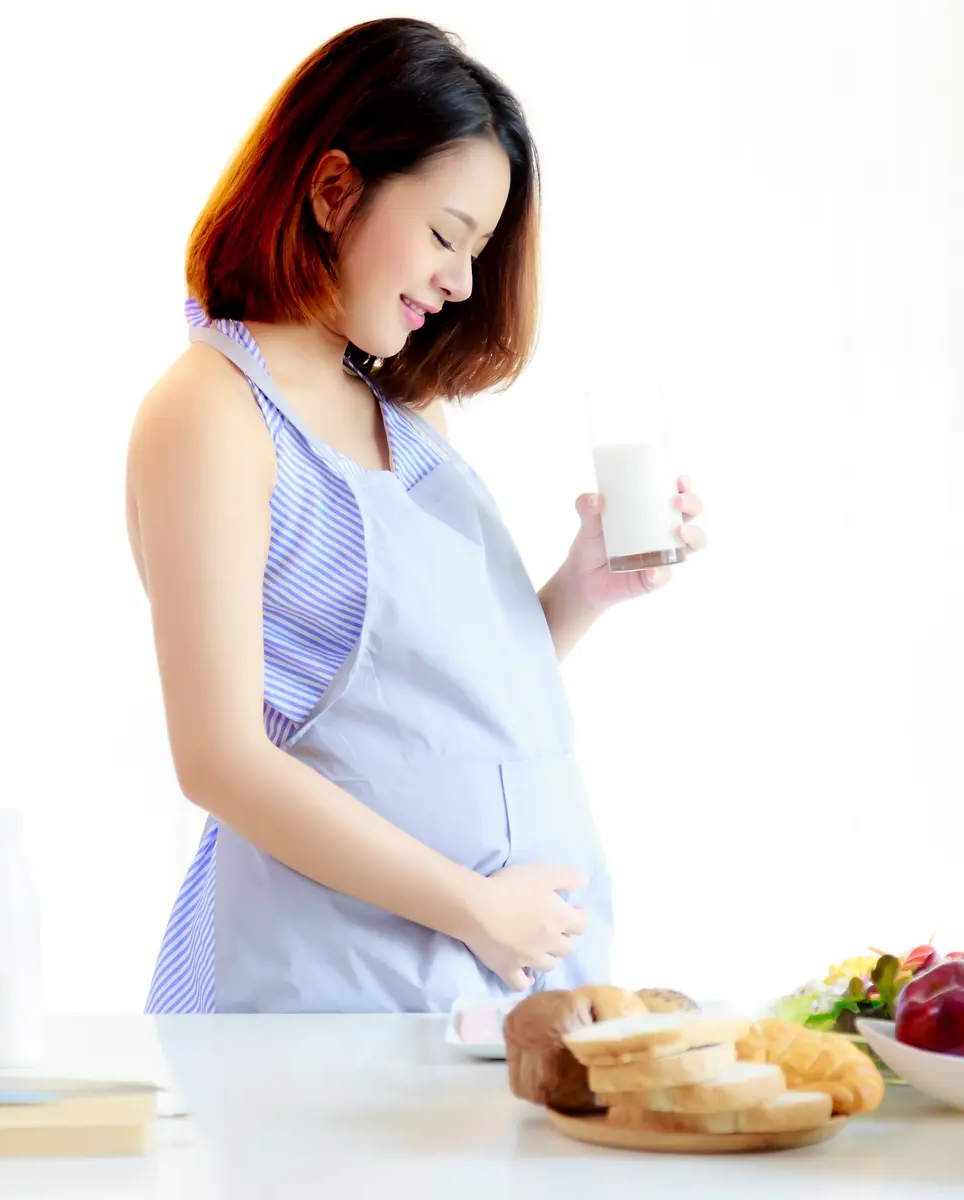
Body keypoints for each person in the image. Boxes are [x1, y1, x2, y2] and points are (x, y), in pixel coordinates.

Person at [125, 17, 706, 1014]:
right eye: (446, 235)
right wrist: (474, 906)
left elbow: (424, 703)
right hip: (330, 984)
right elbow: (218, 759)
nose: (463, 281)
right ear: (333, 189)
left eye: (479, 249)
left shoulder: (403, 407)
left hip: (495, 981)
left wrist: (580, 590)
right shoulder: (214, 412)